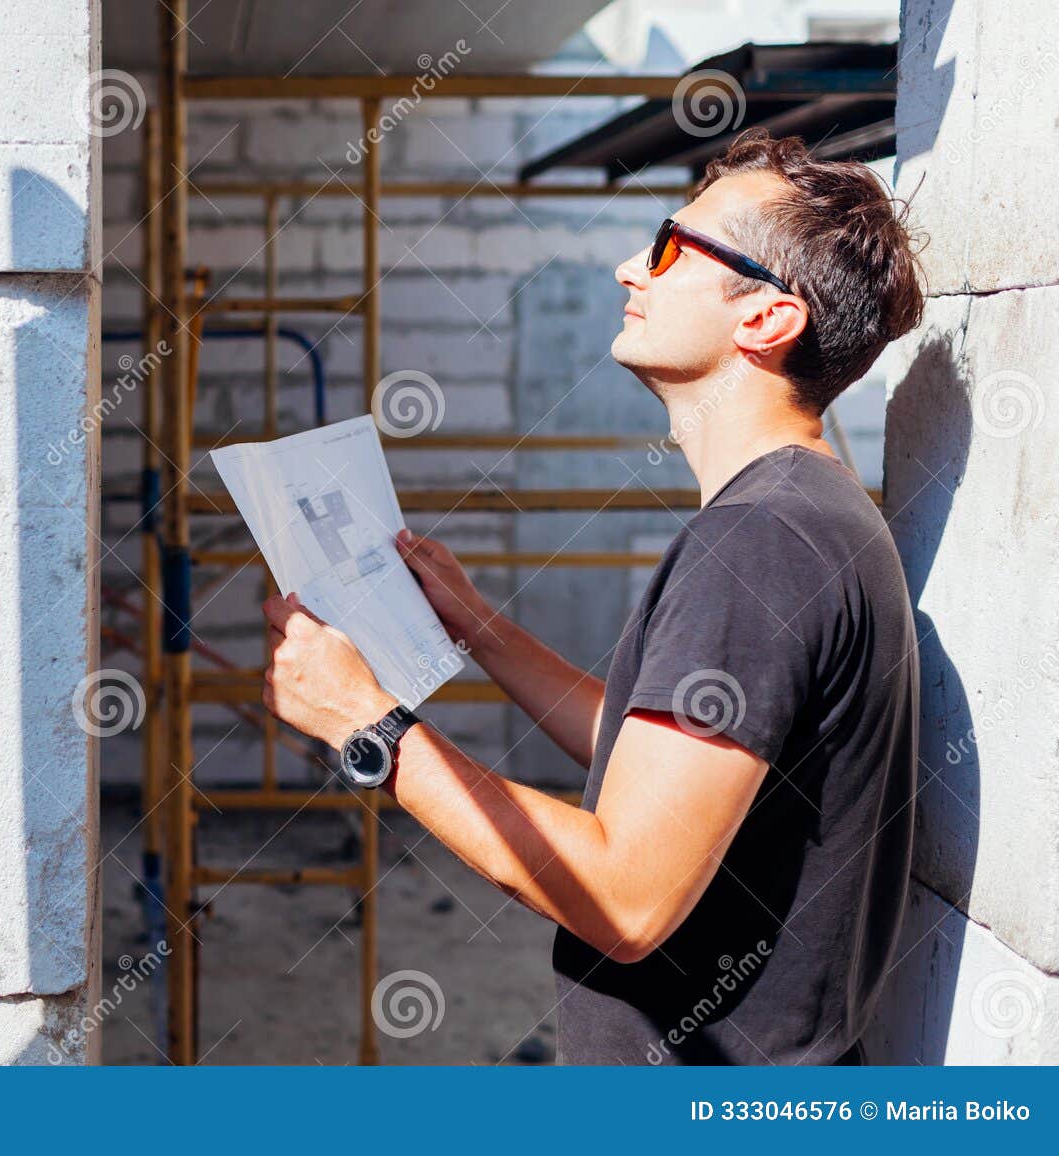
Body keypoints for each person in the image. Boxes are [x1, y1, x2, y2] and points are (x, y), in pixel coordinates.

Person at [258, 129, 926, 1064]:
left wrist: (368, 727)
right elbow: (669, 757)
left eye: (667, 247)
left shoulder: (761, 544)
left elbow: (626, 900)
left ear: (767, 321)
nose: (627, 268)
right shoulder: (805, 510)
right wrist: (482, 630)